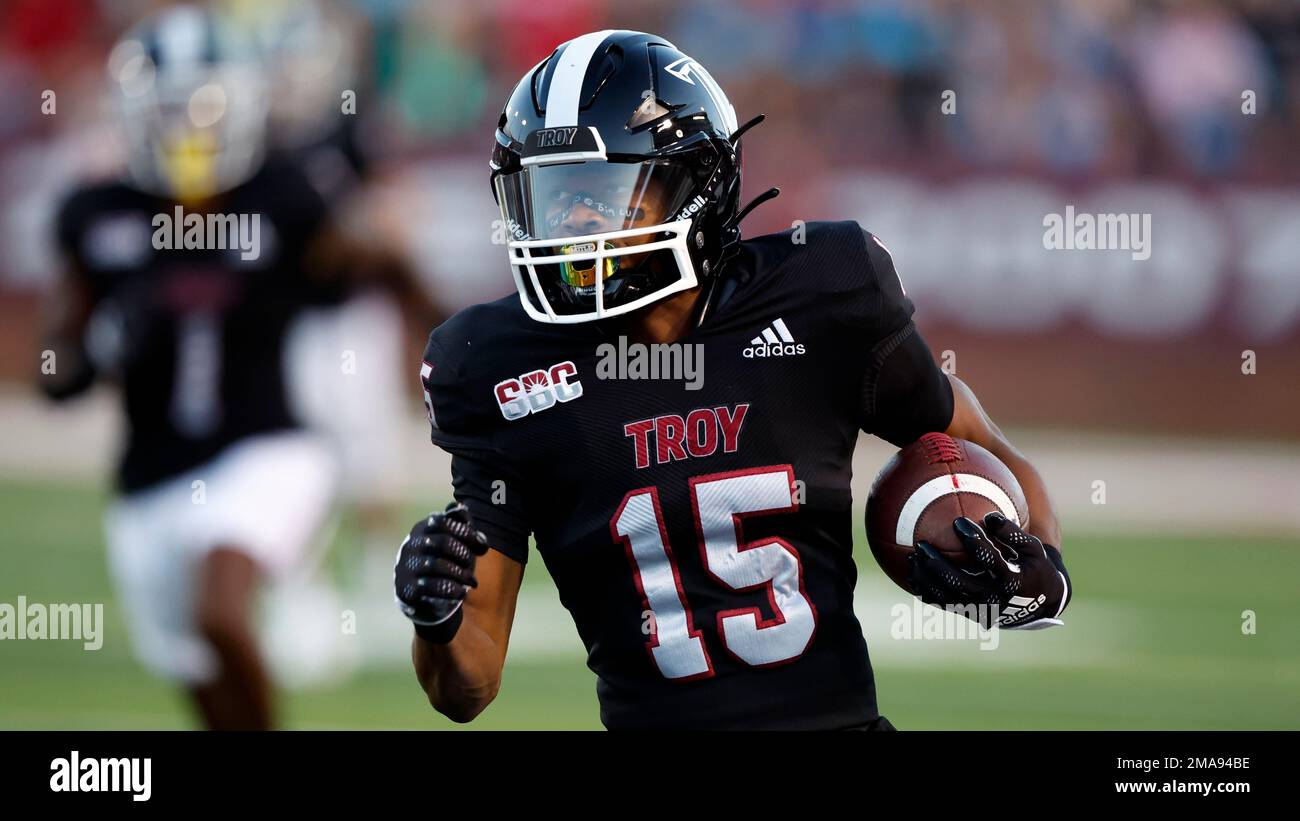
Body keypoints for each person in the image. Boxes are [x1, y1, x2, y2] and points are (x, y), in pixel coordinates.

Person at [395, 30, 1072, 730]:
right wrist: (436, 611)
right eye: (555, 197)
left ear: (697, 185)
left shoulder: (824, 293)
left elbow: (970, 439)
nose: (574, 228)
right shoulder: (495, 363)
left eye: (604, 195)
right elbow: (466, 688)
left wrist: (1039, 569)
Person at [39, 5, 396, 728]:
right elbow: (57, 372)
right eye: (170, 111)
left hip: (269, 448)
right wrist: (97, 347)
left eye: (203, 108)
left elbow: (369, 270)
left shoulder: (284, 194)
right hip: (148, 479)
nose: (187, 128)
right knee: (201, 675)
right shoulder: (97, 213)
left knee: (222, 614)